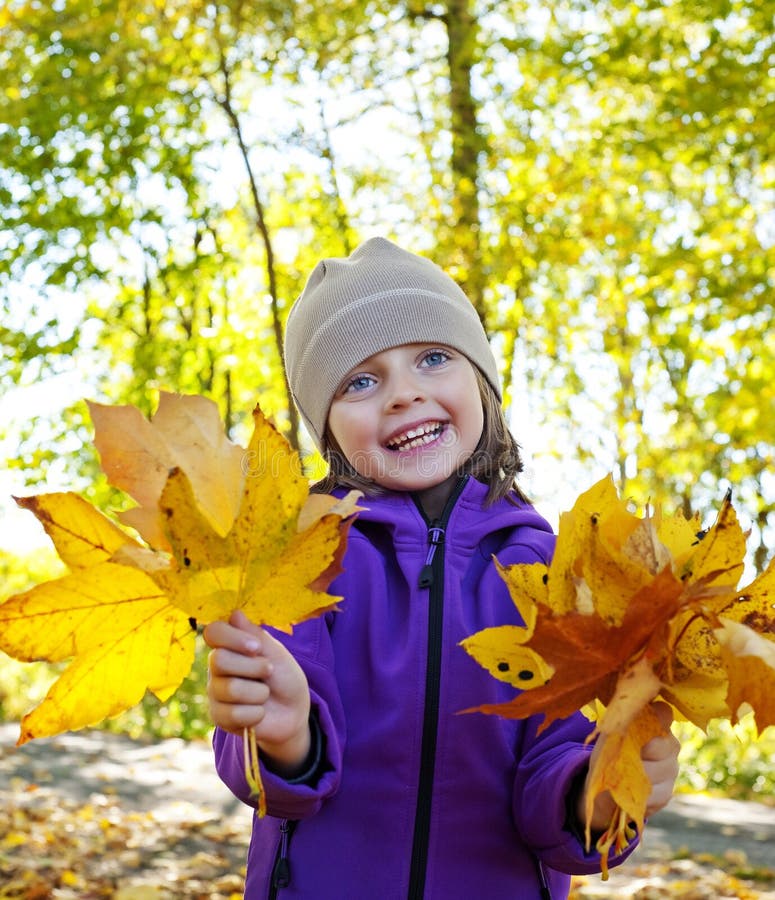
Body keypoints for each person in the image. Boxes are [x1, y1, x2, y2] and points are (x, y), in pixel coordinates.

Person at [204, 237, 680, 899]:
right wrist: (284, 737)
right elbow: (268, 770)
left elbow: (555, 763)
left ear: (481, 382)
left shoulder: (548, 569)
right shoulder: (302, 558)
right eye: (360, 381)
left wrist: (599, 796)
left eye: (432, 358)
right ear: (329, 430)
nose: (403, 394)